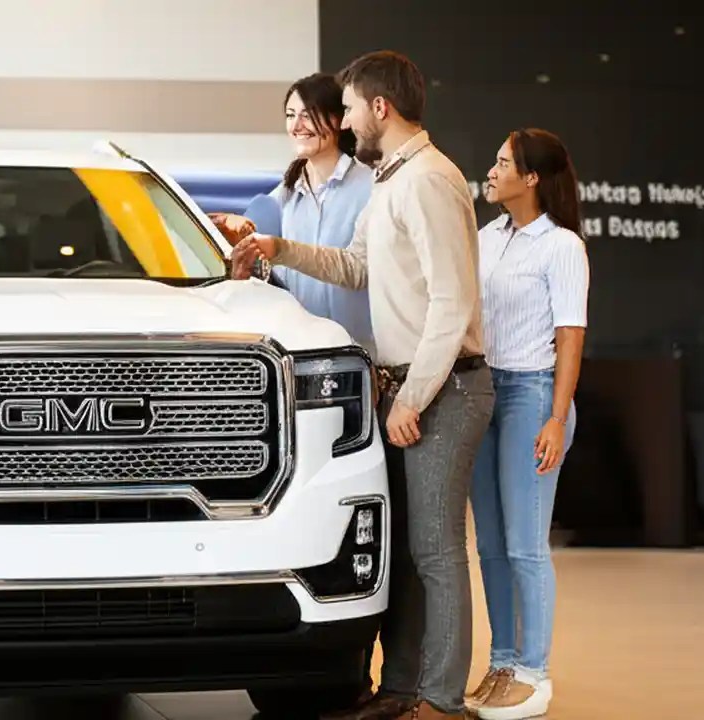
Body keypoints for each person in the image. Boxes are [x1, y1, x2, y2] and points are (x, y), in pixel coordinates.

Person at [228, 50, 495, 720]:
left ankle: (440, 696)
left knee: (436, 551)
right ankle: (402, 688)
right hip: (406, 387)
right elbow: (354, 266)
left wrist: (411, 399)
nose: (343, 122)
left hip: (445, 389)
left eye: (346, 108)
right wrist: (276, 247)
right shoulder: (392, 181)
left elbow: (453, 302)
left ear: (380, 108)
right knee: (406, 550)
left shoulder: (431, 180)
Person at [463, 129, 588, 720]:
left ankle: (535, 673)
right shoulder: (486, 237)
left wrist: (557, 418)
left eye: (502, 162)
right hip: (484, 392)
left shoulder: (561, 246)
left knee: (525, 545)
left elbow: (570, 335)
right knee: (488, 545)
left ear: (532, 178)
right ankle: (503, 660)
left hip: (533, 395)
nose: (491, 170)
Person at [218, 73, 375, 353]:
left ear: (338, 120)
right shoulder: (285, 194)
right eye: (291, 115)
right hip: (302, 351)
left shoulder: (371, 187)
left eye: (308, 115)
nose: (297, 125)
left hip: (361, 352)